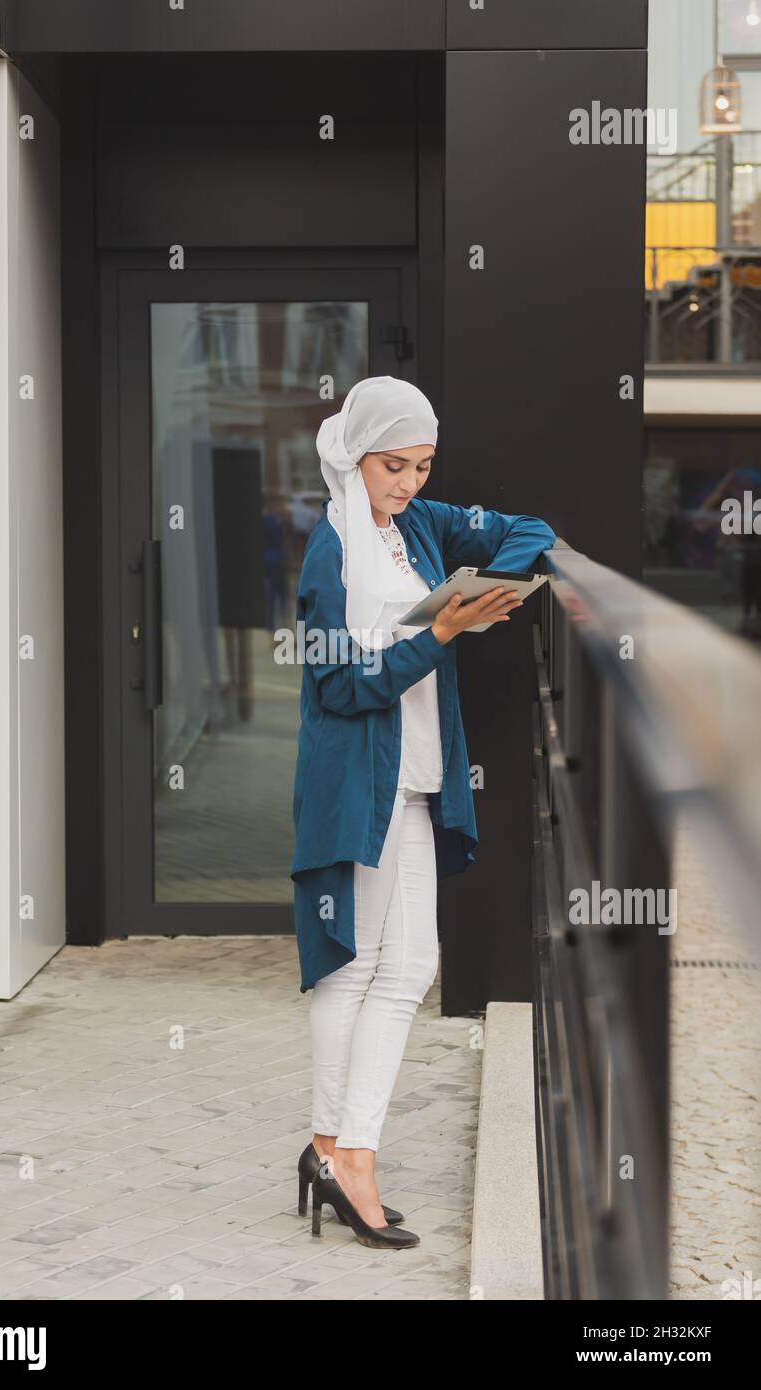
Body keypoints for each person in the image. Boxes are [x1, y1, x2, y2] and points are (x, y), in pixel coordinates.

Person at [291, 376, 556, 1249]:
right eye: (393, 465)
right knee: (358, 969)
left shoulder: (421, 528)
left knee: (404, 967)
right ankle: (347, 1155)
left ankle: (337, 1150)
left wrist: (489, 591)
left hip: (416, 774)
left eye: (422, 465)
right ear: (354, 454)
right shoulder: (329, 550)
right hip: (356, 780)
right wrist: (438, 636)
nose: (407, 482)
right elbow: (335, 686)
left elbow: (531, 531)